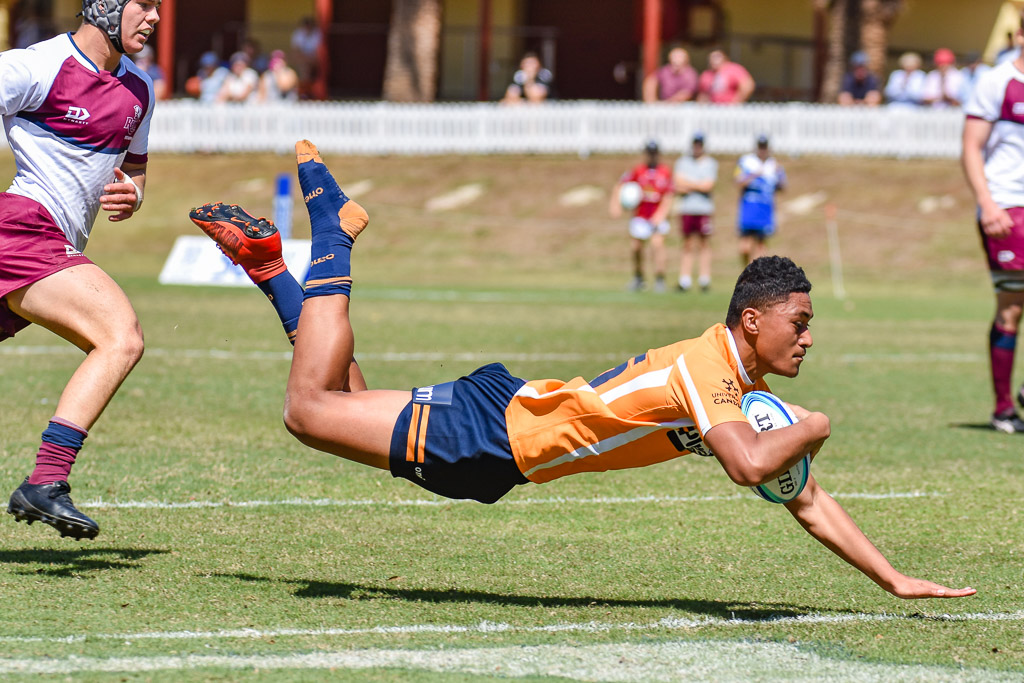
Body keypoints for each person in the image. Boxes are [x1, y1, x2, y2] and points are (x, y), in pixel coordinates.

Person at [188, 145, 976, 600]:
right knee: (310, 409)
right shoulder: (709, 370)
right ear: (751, 321)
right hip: (496, 435)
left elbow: (801, 495)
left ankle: (270, 268)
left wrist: (892, 577)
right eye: (799, 323)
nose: (807, 339)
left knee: (340, 398)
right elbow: (748, 465)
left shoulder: (737, 386)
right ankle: (331, 233)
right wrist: (819, 423)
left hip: (505, 430)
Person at [1, 0, 159, 539]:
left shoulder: (140, 89)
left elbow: (135, 169)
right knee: (120, 337)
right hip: (22, 228)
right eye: (145, 3)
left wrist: (133, 194)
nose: (155, 17)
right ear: (105, 6)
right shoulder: (35, 66)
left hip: (47, 240)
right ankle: (46, 480)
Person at [962, 14, 1024, 433]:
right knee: (1012, 306)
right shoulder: (996, 81)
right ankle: (1003, 409)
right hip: (1008, 206)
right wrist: (987, 204)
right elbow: (971, 147)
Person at [609, 140, 674, 292]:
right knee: (636, 247)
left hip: (657, 216)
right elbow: (619, 185)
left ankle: (660, 280)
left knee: (657, 245)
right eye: (649, 152)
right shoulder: (638, 171)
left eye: (654, 152)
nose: (652, 155)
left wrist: (661, 214)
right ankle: (638, 278)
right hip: (640, 215)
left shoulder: (665, 172)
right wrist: (615, 205)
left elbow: (669, 195)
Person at [673, 132, 718, 292]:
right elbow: (678, 185)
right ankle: (684, 279)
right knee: (687, 244)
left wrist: (689, 184)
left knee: (704, 243)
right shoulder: (682, 162)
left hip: (704, 209)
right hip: (687, 208)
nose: (697, 147)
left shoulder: (710, 163)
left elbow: (708, 186)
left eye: (700, 144)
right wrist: (698, 184)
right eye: (695, 144)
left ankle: (704, 279)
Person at [734, 135, 786, 266]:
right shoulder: (746, 161)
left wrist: (779, 175)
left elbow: (782, 186)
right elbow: (739, 181)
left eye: (765, 147)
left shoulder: (774, 164)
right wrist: (755, 174)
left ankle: (758, 275)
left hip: (765, 211)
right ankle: (746, 271)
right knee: (745, 247)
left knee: (761, 248)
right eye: (760, 147)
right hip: (748, 210)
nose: (763, 150)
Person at [290, 16, 321, 99]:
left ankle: (304, 91)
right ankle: (304, 91)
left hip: (313, 59)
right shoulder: (298, 33)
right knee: (304, 67)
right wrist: (305, 59)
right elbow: (296, 50)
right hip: (302, 59)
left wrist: (308, 59)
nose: (307, 28)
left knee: (305, 68)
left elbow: (318, 52)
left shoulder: (317, 34)